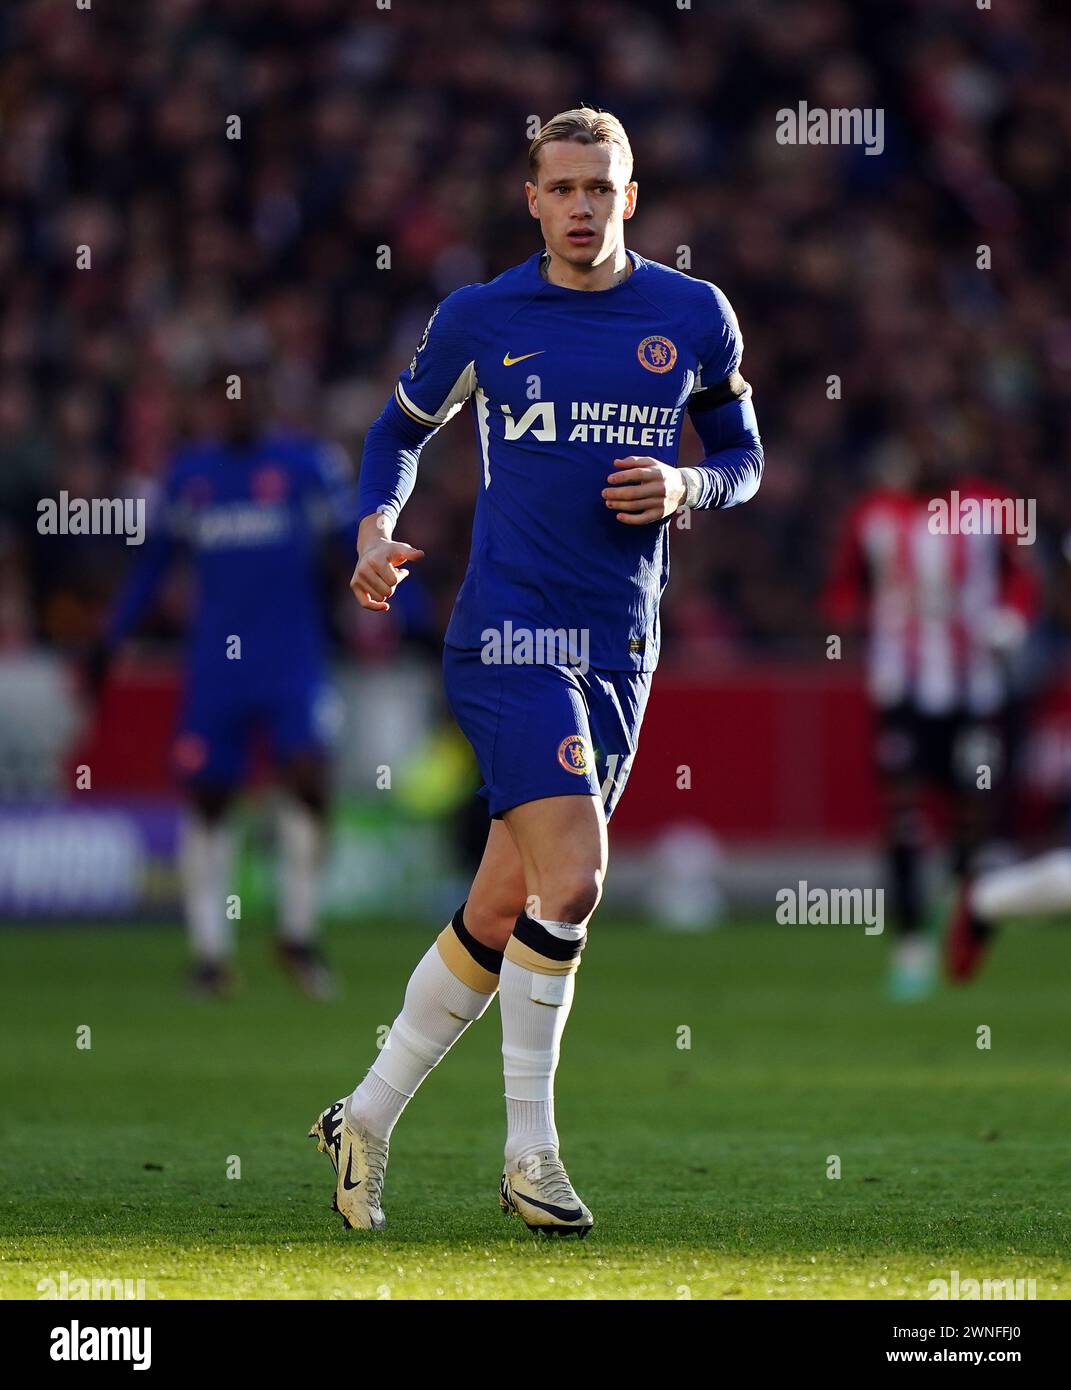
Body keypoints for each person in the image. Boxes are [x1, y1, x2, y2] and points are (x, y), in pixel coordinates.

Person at [308, 107, 763, 1235]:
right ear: (531, 199)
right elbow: (397, 432)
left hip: (622, 647)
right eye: (561, 188)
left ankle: (363, 1118)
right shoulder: (481, 316)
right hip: (509, 634)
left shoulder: (693, 314)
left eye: (599, 188)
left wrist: (689, 485)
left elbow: (744, 456)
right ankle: (532, 1154)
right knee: (577, 880)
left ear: (630, 197)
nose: (580, 207)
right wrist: (374, 529)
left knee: (503, 901)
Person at [92, 370, 355, 998]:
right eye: (224, 398)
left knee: (308, 781)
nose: (237, 408)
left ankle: (298, 937)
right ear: (211, 408)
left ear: (266, 401)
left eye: (247, 395)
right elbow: (153, 568)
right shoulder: (189, 478)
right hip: (216, 665)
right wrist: (111, 637)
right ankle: (210, 954)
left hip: (292, 658)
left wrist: (405, 613)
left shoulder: (307, 467)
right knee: (209, 796)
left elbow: (353, 545)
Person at [824, 433, 1038, 1001]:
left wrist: (1011, 620)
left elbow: (1024, 577)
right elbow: (844, 587)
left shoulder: (993, 506)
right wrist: (850, 624)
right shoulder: (873, 514)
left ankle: (960, 923)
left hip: (975, 691)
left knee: (973, 814)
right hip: (902, 690)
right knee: (904, 816)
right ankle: (912, 941)